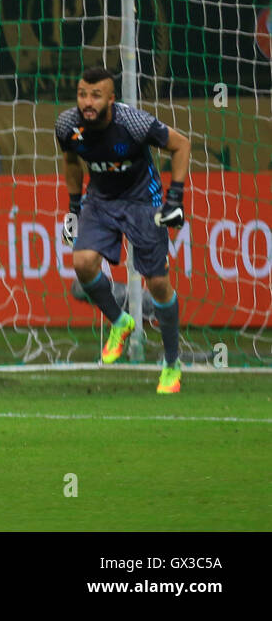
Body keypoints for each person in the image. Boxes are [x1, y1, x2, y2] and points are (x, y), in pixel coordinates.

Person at [56, 65, 191, 393]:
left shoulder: (133, 123)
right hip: (100, 201)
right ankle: (120, 321)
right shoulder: (67, 125)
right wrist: (74, 208)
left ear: (111, 99)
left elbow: (182, 145)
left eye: (95, 96)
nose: (87, 102)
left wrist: (175, 200)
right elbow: (72, 162)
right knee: (82, 263)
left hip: (143, 201)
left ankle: (172, 364)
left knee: (158, 283)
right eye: (82, 94)